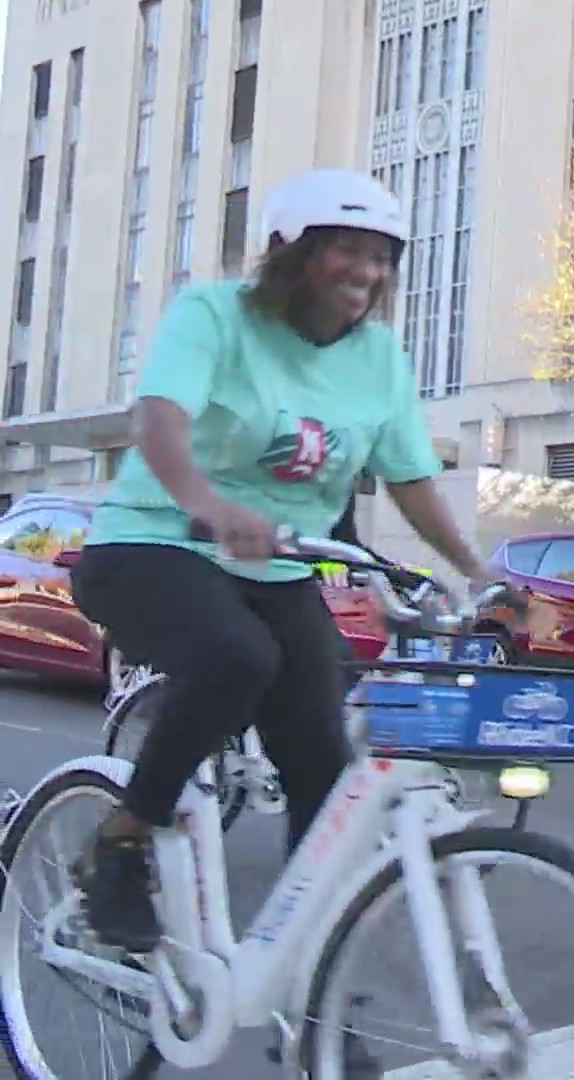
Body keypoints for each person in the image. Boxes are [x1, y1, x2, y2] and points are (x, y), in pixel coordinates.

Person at [69, 167, 491, 956]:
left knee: (325, 777)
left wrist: (479, 569)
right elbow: (161, 423)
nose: (364, 272)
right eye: (343, 251)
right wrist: (212, 505)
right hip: (155, 545)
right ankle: (122, 842)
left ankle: (310, 992)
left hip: (282, 570)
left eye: (379, 256)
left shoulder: (379, 360)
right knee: (237, 658)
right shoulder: (213, 316)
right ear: (287, 253)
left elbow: (409, 480)